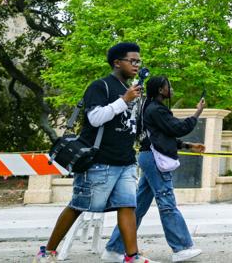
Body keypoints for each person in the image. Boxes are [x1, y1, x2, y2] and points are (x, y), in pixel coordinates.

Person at [36, 42, 153, 263]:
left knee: (128, 205)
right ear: (117, 62)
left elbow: (131, 125)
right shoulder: (101, 87)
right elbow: (95, 118)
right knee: (78, 205)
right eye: (133, 61)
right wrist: (124, 100)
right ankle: (47, 252)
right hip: (99, 160)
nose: (137, 65)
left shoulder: (130, 90)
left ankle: (132, 256)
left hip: (126, 160)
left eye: (139, 61)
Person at [103, 76, 207, 262]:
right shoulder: (156, 109)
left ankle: (114, 248)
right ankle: (181, 247)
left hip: (148, 157)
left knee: (138, 206)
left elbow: (162, 137)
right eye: (168, 86)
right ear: (160, 90)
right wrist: (197, 112)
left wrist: (188, 146)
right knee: (167, 202)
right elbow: (178, 127)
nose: (171, 89)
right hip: (154, 159)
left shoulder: (147, 108)